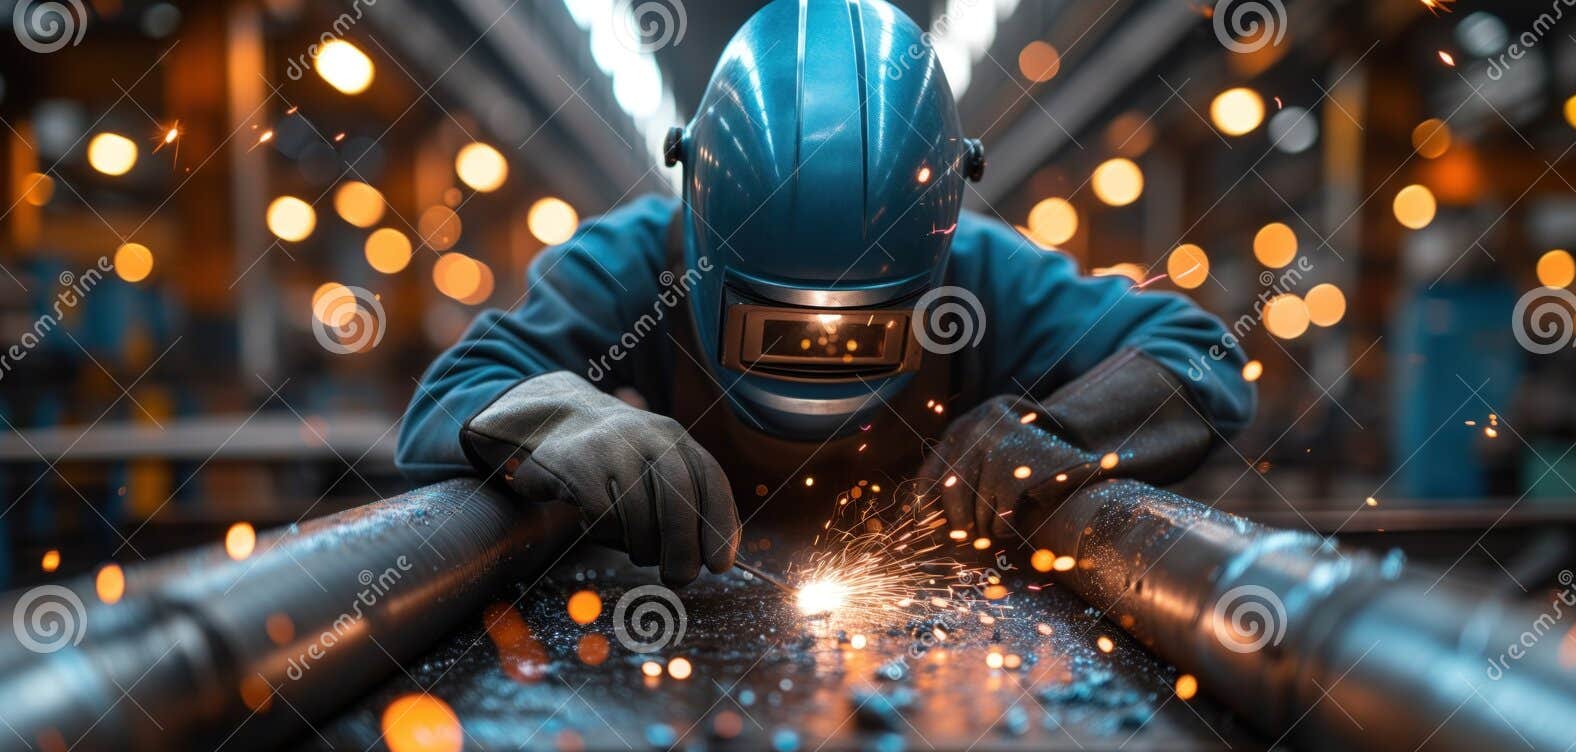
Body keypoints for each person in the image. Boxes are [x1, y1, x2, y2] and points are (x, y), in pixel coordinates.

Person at [396, 0, 1254, 586]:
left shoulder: (986, 274)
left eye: (860, 329)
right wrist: (566, 418)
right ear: (700, 216)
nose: (817, 351)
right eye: (778, 325)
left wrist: (1053, 433)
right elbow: (449, 397)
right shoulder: (632, 265)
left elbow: (1203, 360)